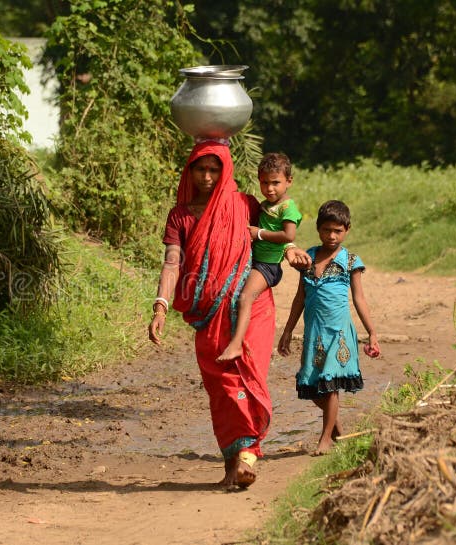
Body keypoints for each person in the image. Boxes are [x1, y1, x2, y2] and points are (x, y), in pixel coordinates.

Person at [147, 140, 311, 489]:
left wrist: (293, 247)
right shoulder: (180, 215)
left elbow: (276, 229)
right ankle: (231, 465)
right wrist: (160, 304)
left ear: (225, 171)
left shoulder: (244, 204)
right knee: (221, 388)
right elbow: (172, 263)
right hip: (208, 313)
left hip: (252, 308)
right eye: (200, 169)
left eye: (214, 169)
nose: (207, 176)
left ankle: (247, 457)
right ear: (189, 171)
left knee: (247, 379)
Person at [277, 200, 381, 455]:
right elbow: (299, 297)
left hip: (340, 332)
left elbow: (359, 298)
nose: (332, 236)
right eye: (327, 230)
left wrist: (372, 333)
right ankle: (338, 431)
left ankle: (325, 439)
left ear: (347, 230)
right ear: (318, 230)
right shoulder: (307, 258)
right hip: (314, 332)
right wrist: (288, 329)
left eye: (337, 231)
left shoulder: (350, 261)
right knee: (311, 385)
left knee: (331, 382)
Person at [217, 152, 302, 362]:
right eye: (265, 183)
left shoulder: (287, 207)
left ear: (289, 181)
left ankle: (236, 345)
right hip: (256, 261)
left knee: (245, 297)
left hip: (268, 267)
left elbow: (288, 235)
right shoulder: (267, 204)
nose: (270, 188)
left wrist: (260, 234)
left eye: (276, 183)